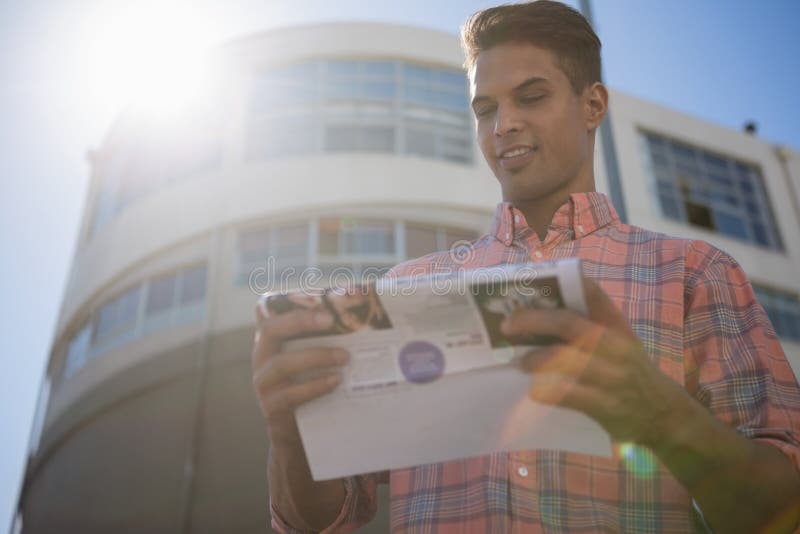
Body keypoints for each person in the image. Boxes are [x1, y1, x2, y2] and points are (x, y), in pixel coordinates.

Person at [251, 1, 800, 531]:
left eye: (531, 96)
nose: (503, 124)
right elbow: (327, 517)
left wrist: (664, 417)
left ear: (593, 106)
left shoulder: (693, 273)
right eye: (485, 108)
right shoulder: (407, 289)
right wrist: (287, 435)